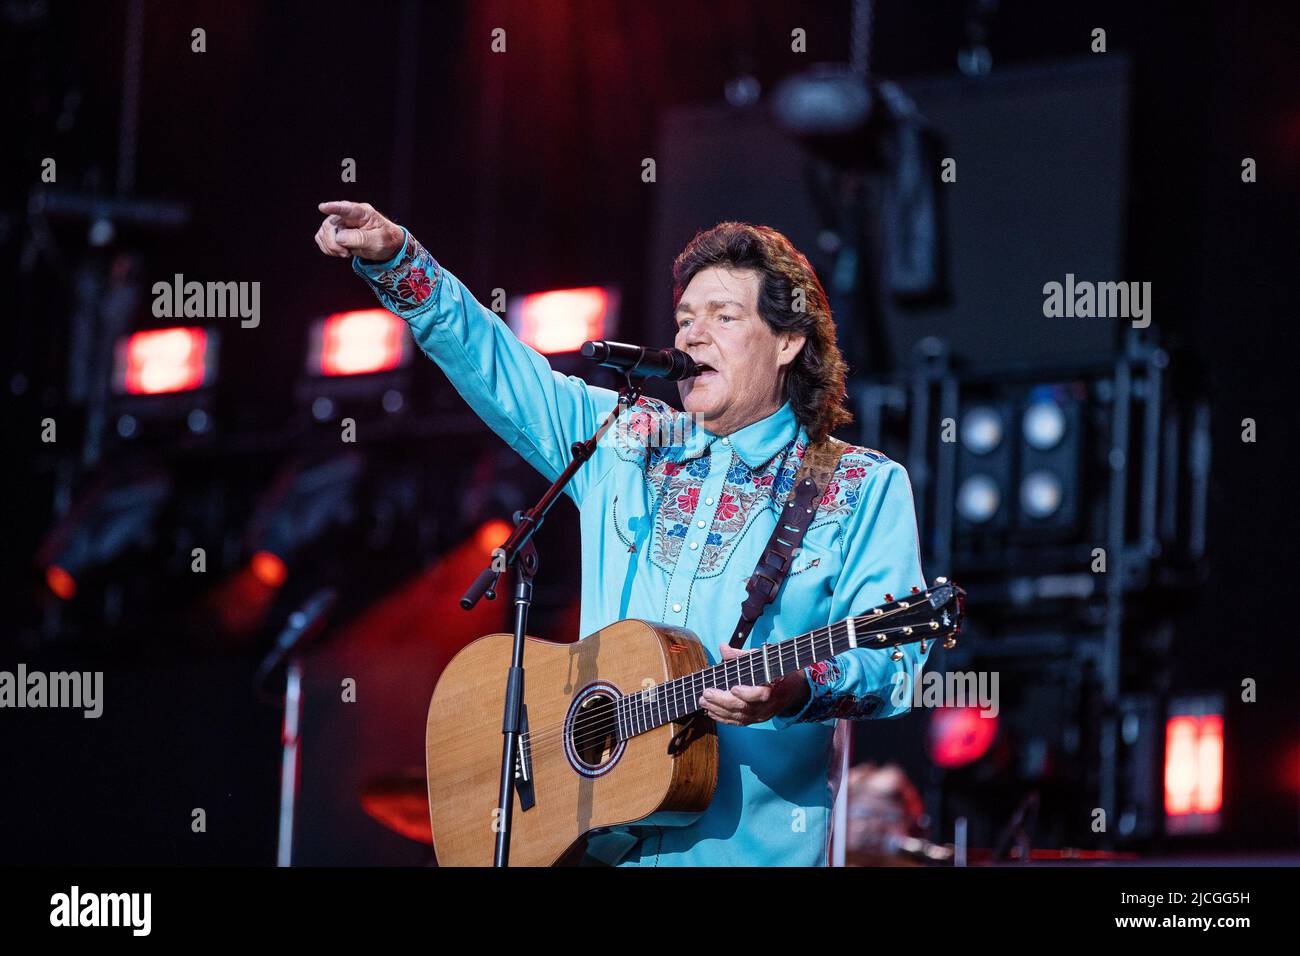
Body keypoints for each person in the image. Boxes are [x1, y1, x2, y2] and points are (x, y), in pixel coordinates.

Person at [314, 201, 929, 866]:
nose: (694, 337)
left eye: (724, 318)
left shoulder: (860, 485)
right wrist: (399, 259)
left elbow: (896, 665)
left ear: (788, 341)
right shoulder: (626, 440)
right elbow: (496, 364)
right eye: (686, 319)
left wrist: (791, 689)